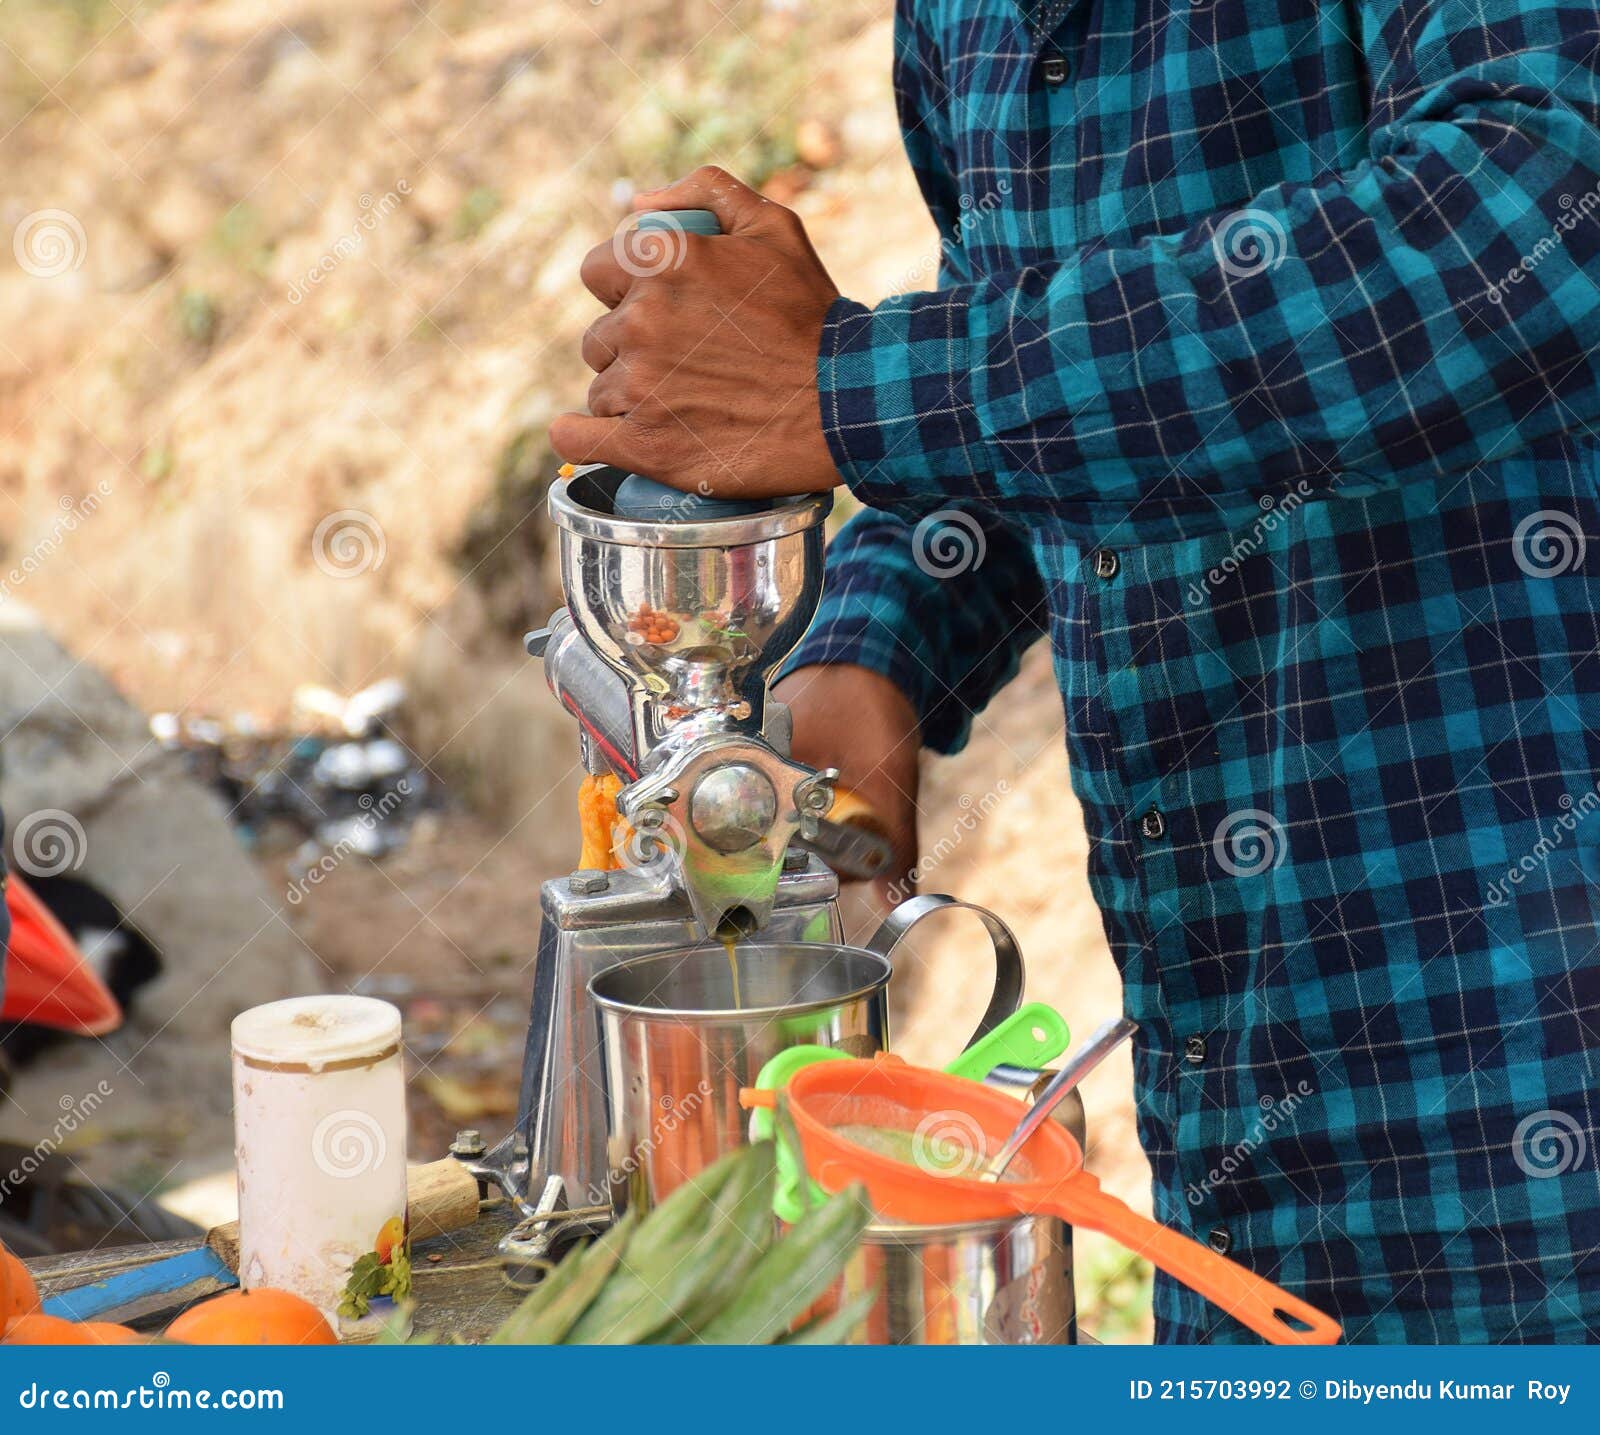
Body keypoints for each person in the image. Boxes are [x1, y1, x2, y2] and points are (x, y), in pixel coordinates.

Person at [552, 0, 1600, 1342]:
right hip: (1242, 1127)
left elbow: (1534, 210)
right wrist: (879, 645)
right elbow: (1042, 369)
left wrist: (850, 392)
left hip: (1527, 1081)